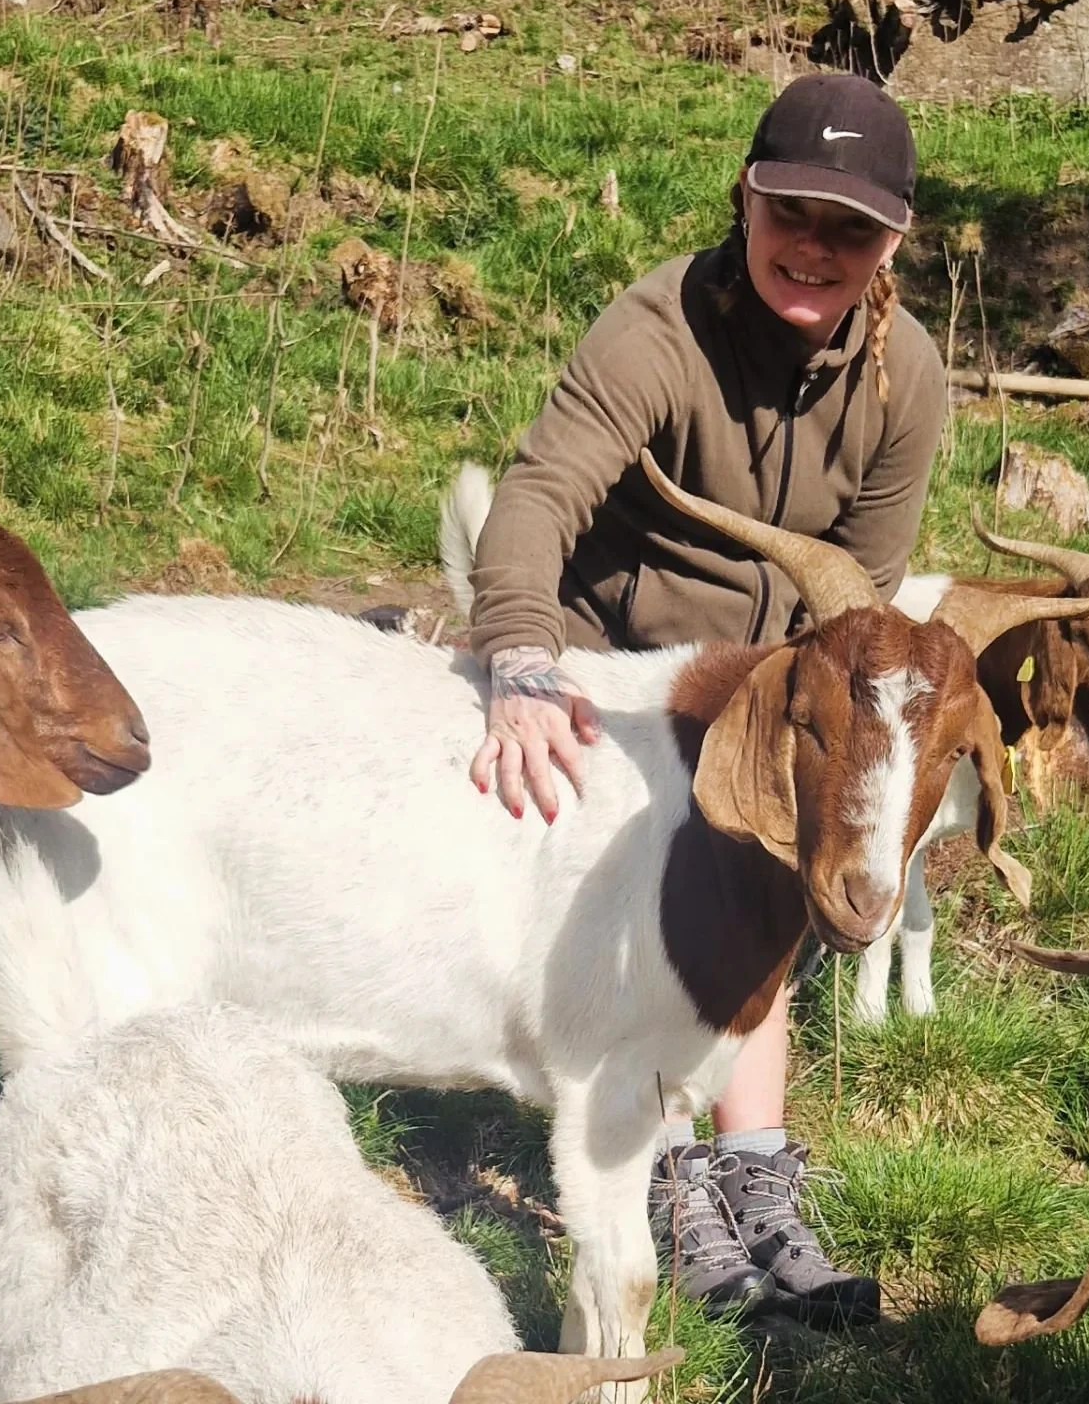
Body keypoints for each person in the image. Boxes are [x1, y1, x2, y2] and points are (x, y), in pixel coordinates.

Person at [464, 72, 946, 1326]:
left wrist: (809, 750)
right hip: (608, 649)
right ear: (747, 195)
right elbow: (534, 501)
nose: (815, 249)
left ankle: (756, 1178)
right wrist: (520, 659)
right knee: (652, 904)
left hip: (769, 670)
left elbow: (862, 603)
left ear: (892, 239)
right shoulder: (655, 330)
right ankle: (665, 1167)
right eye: (792, 212)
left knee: (768, 877)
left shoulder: (908, 378)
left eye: (852, 229)